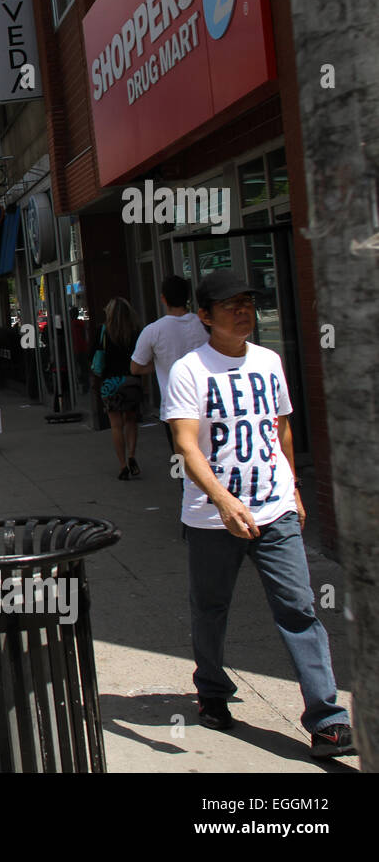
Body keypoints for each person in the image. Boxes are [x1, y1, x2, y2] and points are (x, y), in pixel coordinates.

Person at [166, 271, 354, 758]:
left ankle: (327, 721)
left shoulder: (269, 360)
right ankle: (211, 690)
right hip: (212, 519)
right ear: (205, 315)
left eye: (247, 302)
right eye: (230, 305)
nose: (242, 311)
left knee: (299, 610)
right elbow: (186, 443)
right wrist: (223, 500)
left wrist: (291, 485)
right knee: (210, 609)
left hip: (274, 511)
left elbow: (281, 428)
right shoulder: (191, 370)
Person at [130, 275, 209, 455]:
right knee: (208, 456)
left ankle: (182, 482)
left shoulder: (153, 330)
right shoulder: (204, 324)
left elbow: (135, 367)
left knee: (181, 458)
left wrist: (159, 363)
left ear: (163, 299)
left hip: (175, 408)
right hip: (206, 401)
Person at [96, 297, 143, 480]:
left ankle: (122, 465)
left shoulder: (103, 331)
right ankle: (132, 455)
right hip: (131, 381)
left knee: (116, 425)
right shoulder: (135, 331)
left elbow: (94, 355)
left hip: (110, 383)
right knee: (131, 421)